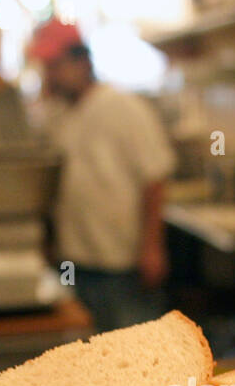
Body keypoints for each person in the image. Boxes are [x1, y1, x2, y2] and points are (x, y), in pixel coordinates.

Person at [28, 22, 175, 331]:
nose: (50, 75)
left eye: (56, 66)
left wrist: (152, 247)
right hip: (74, 261)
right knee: (86, 351)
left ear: (82, 61)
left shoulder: (124, 108)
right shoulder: (57, 116)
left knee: (133, 352)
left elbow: (155, 177)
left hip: (121, 264)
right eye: (46, 68)